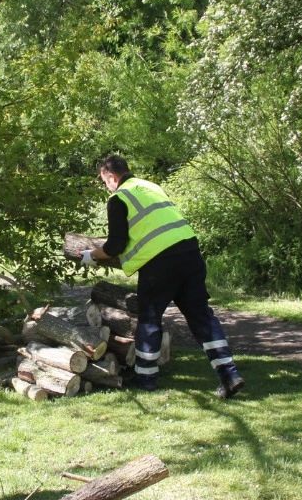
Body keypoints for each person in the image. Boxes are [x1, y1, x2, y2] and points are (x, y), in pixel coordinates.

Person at [81, 155, 245, 398]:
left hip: (160, 264)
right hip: (190, 254)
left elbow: (115, 245)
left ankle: (146, 378)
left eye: (106, 182)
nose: (108, 187)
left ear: (112, 177)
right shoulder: (151, 187)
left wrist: (91, 255)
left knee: (149, 318)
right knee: (201, 316)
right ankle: (229, 374)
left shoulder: (119, 198)